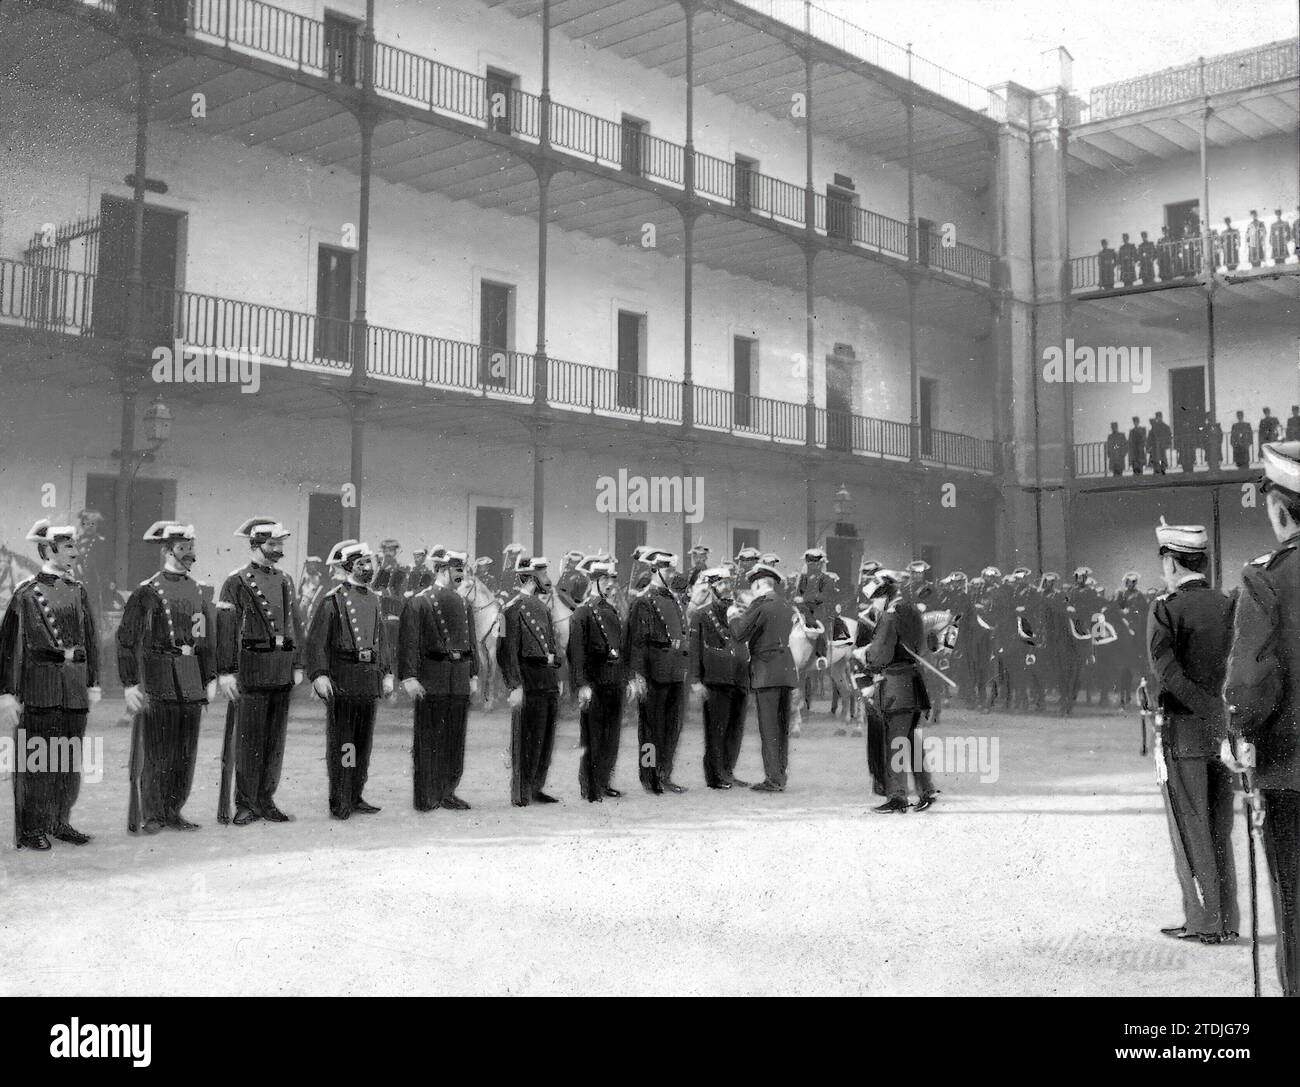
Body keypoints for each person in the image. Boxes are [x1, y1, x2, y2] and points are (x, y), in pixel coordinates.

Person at [1224, 441, 1300, 995]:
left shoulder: (1266, 578)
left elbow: (1251, 686)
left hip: (1292, 775)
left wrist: (1239, 733)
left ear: (1280, 509)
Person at [1147, 518, 1238, 944]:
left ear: (1171, 563)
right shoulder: (1229, 604)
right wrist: (1220, 713)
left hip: (1184, 730)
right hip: (1225, 730)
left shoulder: (1165, 608)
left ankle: (1204, 921)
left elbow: (1168, 676)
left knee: (1191, 826)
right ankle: (1227, 918)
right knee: (1221, 826)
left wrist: (1203, 710)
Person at [0, 520, 101, 850]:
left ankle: (59, 821)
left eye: (74, 545)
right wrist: (7, 693)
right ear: (47, 550)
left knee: (68, 763)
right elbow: (11, 647)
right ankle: (31, 829)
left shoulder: (78, 591)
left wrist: (93, 681)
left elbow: (91, 640)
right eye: (67, 546)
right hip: (41, 686)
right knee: (37, 763)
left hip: (73, 688)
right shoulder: (26, 595)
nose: (74, 552)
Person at [117, 521, 215, 834]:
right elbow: (126, 640)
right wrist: (130, 683)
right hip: (158, 679)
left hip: (190, 680)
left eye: (191, 548)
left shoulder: (197, 591)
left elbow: (203, 636)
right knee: (158, 750)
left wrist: (208, 676)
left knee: (185, 751)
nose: (190, 555)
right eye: (183, 548)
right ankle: (153, 813)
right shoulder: (147, 592)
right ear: (167, 550)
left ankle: (173, 810)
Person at [215, 517, 304, 826]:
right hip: (252, 667)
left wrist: (298, 662)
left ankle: (266, 799)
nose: (278, 549)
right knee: (250, 739)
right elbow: (226, 628)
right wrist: (225, 671)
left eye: (280, 544)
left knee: (274, 741)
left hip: (280, 666)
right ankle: (246, 803)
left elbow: (295, 623)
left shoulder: (286, 580)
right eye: (273, 544)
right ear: (256, 544)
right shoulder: (236, 581)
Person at [307, 540, 392, 820]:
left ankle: (356, 795)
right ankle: (341, 798)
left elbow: (382, 639)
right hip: (343, 678)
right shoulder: (333, 601)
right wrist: (319, 674)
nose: (368, 568)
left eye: (369, 562)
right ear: (347, 567)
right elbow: (317, 642)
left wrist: (387, 672)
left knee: (363, 742)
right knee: (345, 743)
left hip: (368, 679)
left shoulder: (375, 599)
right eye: (361, 564)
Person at [399, 547, 477, 812]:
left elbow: (471, 642)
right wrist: (409, 677)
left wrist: (474, 673)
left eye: (462, 570)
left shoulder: (464, 603)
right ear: (442, 570)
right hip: (433, 677)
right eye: (457, 570)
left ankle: (448, 791)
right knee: (429, 739)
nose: (461, 575)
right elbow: (408, 643)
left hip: (458, 678)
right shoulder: (420, 602)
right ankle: (426, 796)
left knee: (455, 739)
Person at [854, 571, 936, 813]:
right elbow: (920, 647)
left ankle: (897, 797)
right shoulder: (912, 611)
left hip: (895, 683)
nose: (874, 603)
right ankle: (926, 790)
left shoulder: (889, 617)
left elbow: (880, 654)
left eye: (876, 598)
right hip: (914, 681)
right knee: (911, 740)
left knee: (895, 742)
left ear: (885, 595)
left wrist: (864, 655)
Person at [499, 556, 561, 806]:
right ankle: (521, 792)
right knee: (527, 738)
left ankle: (536, 787)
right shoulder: (511, 609)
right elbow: (505, 652)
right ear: (530, 577)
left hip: (547, 679)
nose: (547, 579)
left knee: (545, 738)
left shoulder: (543, 607)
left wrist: (557, 673)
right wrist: (514, 685)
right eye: (543, 574)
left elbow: (553, 646)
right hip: (528, 680)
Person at [729, 562, 796, 792]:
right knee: (781, 727)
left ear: (757, 584)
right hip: (785, 670)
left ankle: (773, 779)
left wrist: (733, 616)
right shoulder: (785, 605)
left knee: (769, 729)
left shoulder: (760, 605)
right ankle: (781, 775)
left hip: (766, 672)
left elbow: (739, 634)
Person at [628, 549, 690, 794]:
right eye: (667, 569)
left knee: (671, 727)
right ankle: (649, 776)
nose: (671, 573)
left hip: (674, 671)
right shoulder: (644, 601)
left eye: (672, 569)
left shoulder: (673, 600)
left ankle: (665, 773)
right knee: (650, 730)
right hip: (654, 672)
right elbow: (637, 643)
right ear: (654, 571)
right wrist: (638, 675)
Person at [568, 557, 630, 802]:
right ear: (593, 581)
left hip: (613, 681)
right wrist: (581, 685)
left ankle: (604, 781)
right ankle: (590, 787)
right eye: (604, 579)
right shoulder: (583, 613)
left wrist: (626, 679)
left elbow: (620, 648)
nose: (610, 584)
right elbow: (576, 653)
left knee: (611, 736)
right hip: (594, 684)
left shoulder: (611, 611)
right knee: (592, 737)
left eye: (612, 580)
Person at [690, 567, 751, 789]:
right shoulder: (701, 615)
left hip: (740, 678)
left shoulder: (740, 612)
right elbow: (695, 650)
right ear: (711, 587)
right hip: (716, 679)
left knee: (736, 729)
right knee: (716, 729)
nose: (726, 588)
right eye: (721, 584)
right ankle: (715, 776)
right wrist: (696, 680)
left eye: (727, 583)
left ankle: (728, 771)